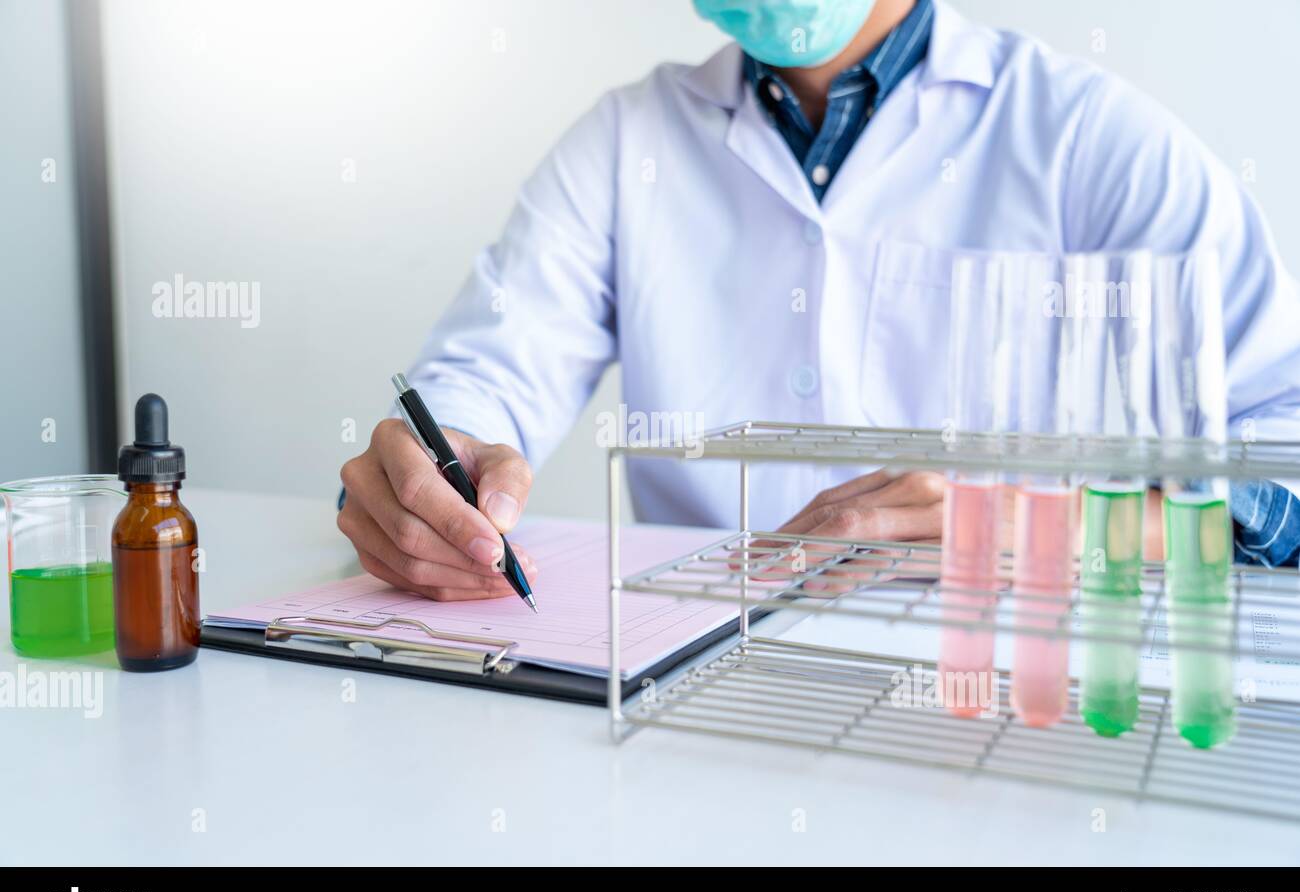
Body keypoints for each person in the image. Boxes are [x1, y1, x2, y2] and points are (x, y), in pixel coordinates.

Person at [338, 0, 1300, 601]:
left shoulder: (1094, 140)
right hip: (693, 689)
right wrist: (434, 480)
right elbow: (485, 378)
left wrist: (1056, 525)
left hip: (1006, 710)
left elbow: (1283, 468)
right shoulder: (625, 140)